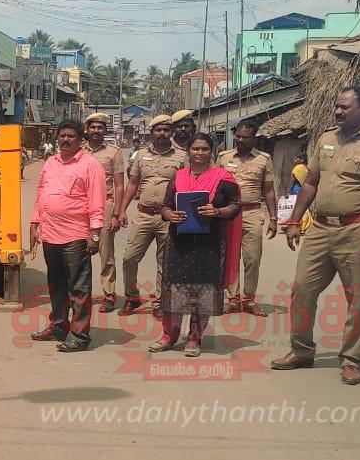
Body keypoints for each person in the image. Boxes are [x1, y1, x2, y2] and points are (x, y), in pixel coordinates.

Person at [271, 86, 360, 386]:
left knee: (357, 298)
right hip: (319, 228)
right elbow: (310, 183)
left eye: (345, 107)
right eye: (337, 106)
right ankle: (301, 352)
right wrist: (294, 221)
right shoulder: (326, 138)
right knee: (302, 290)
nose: (338, 111)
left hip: (359, 229)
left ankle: (351, 360)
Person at [153, 134, 242, 357]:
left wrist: (218, 211)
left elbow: (236, 206)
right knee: (174, 290)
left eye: (204, 149)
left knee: (202, 291)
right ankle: (168, 336)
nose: (199, 153)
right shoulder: (178, 176)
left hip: (209, 243)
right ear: (188, 151)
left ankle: (194, 338)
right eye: (195, 149)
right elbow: (164, 206)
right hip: (179, 242)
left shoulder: (224, 178)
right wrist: (169, 215)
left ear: (211, 151)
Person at [29, 120, 107, 353]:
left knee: (79, 288)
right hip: (50, 235)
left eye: (70, 136)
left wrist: (94, 235)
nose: (65, 139)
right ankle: (58, 326)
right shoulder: (50, 163)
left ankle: (80, 335)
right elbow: (41, 195)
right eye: (61, 135)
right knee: (56, 285)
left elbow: (97, 203)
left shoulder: (91, 166)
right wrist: (35, 224)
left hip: (75, 237)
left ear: (80, 140)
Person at [118, 115, 186, 315]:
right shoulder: (140, 155)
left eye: (166, 130)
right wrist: (121, 210)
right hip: (144, 215)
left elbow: (187, 186)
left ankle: (160, 301)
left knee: (164, 261)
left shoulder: (182, 156)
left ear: (171, 132)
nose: (162, 133)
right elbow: (132, 184)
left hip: (169, 217)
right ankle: (132, 297)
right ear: (151, 132)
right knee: (129, 258)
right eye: (158, 130)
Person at [217, 119, 277, 316]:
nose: (241, 140)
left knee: (252, 258)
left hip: (252, 213)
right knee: (230, 256)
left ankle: (249, 299)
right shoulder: (223, 157)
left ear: (254, 138)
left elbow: (268, 190)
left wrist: (274, 219)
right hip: (228, 214)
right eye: (238, 137)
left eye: (245, 137)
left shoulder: (264, 159)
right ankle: (233, 299)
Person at [82, 113, 128, 312]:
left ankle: (109, 294)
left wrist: (117, 213)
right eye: (93, 127)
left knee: (105, 251)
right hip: (80, 206)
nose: (96, 131)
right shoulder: (78, 151)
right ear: (87, 129)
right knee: (78, 251)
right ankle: (80, 293)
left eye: (100, 127)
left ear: (105, 130)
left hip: (105, 204)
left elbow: (119, 185)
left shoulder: (113, 152)